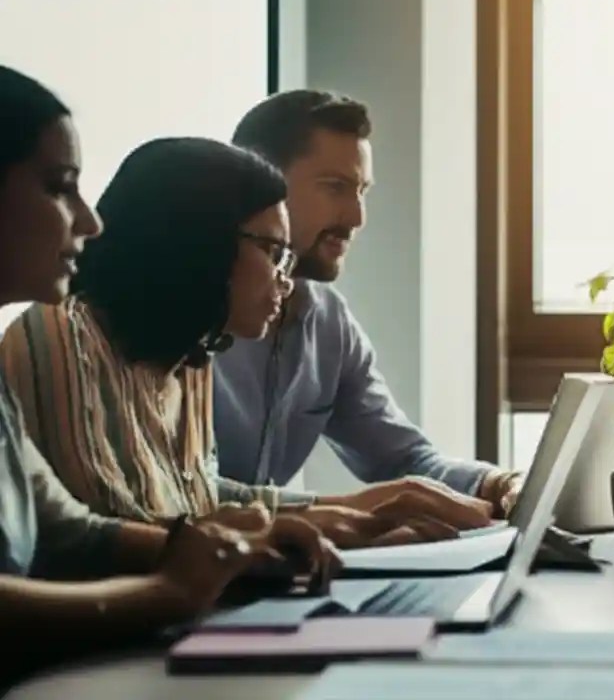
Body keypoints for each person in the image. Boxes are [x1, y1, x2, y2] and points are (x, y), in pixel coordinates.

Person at [0, 64, 335, 688]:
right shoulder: (50, 335)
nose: (89, 222)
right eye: (58, 187)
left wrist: (234, 549)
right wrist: (168, 592)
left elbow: (69, 530)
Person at [0, 136, 479, 546]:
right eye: (274, 252)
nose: (285, 280)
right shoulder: (62, 335)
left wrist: (352, 511)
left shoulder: (189, 359)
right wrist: (310, 526)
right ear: (200, 237)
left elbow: (200, 496)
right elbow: (109, 529)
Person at [215, 90, 521, 516]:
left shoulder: (329, 324)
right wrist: (343, 512)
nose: (357, 217)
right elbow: (174, 490)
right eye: (335, 188)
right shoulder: (190, 315)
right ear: (260, 182)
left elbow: (404, 459)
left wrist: (500, 484)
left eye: (361, 191)